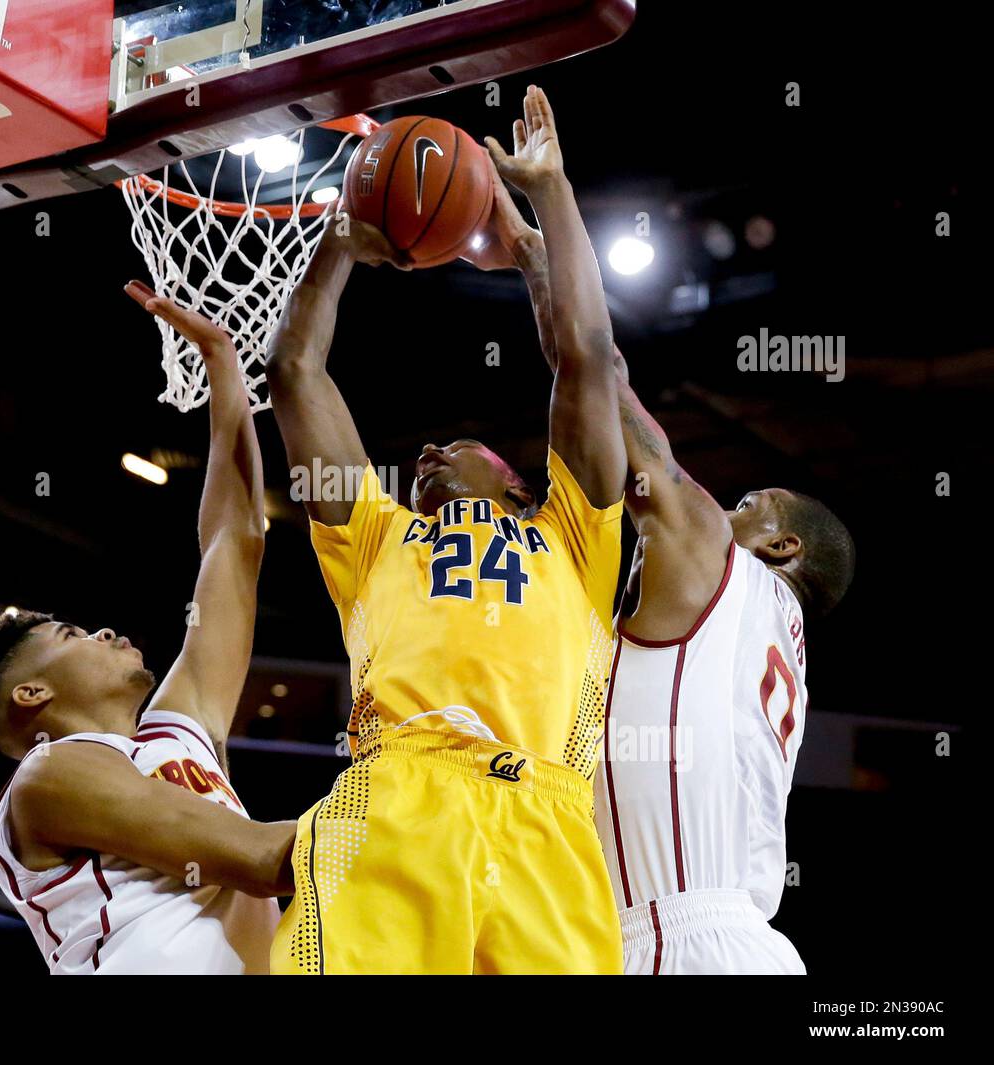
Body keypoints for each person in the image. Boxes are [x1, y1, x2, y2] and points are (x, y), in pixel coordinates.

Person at [265, 86, 627, 974]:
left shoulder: (573, 533)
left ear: (516, 481)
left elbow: (585, 358)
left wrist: (551, 193)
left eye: (457, 443)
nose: (426, 448)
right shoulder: (374, 536)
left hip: (547, 808)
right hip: (400, 788)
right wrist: (338, 247)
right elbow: (295, 372)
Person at [0, 287, 294, 974]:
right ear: (31, 694)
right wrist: (423, 801)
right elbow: (262, 858)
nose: (104, 629)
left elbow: (236, 538)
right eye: (71, 632)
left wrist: (226, 366)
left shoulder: (176, 731)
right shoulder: (48, 776)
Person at [592, 346, 854, 973]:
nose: (720, 516)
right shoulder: (770, 641)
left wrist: (537, 262)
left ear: (780, 545)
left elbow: (602, 382)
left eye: (744, 507)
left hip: (677, 936)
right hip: (734, 941)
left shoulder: (727, 576)